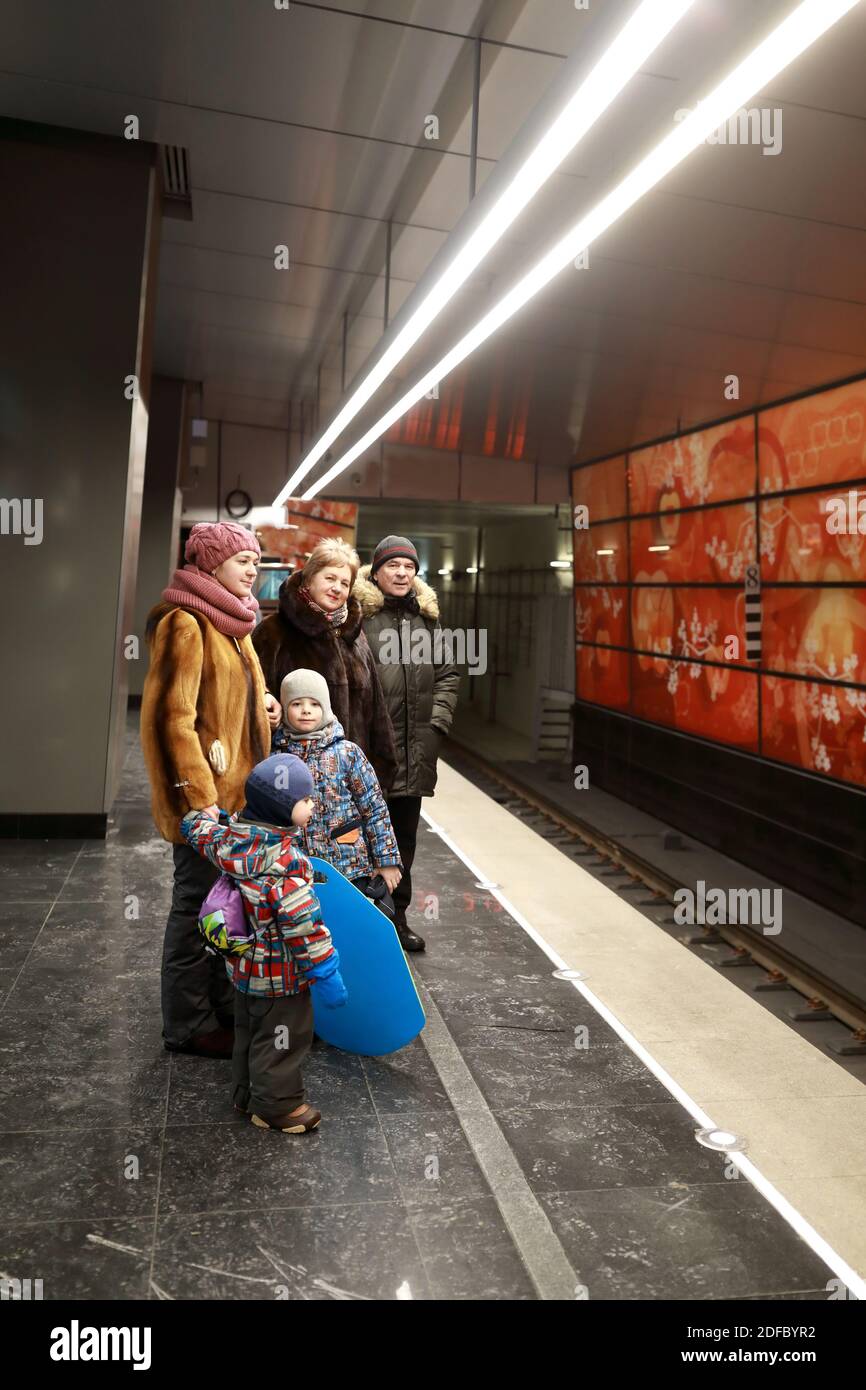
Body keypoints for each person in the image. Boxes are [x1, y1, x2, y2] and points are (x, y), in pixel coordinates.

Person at [140, 521, 281, 1058]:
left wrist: (261, 710)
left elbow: (233, 698)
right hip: (206, 801)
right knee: (195, 905)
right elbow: (170, 720)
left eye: (256, 560)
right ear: (210, 564)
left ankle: (219, 1005)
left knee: (225, 907)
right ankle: (188, 1024)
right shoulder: (186, 622)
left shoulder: (236, 624)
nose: (254, 568)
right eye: (243, 559)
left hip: (240, 798)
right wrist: (199, 801)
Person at [181, 753, 347, 1134]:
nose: (312, 804)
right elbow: (305, 928)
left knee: (249, 1033)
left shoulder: (230, 840)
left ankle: (246, 1094)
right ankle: (277, 1107)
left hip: (242, 971)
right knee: (282, 1040)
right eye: (306, 800)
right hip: (282, 978)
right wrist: (327, 973)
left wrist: (201, 818)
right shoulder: (285, 863)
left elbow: (199, 831)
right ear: (283, 808)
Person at [354, 536, 460, 952]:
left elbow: (449, 674)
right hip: (370, 750)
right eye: (393, 566)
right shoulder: (358, 617)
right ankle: (364, 919)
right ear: (376, 572)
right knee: (360, 836)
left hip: (415, 750)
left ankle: (396, 919)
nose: (401, 573)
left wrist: (437, 724)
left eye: (408, 567)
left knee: (403, 838)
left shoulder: (428, 622)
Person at [254, 537, 397, 793]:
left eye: (345, 583)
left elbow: (376, 708)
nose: (337, 588)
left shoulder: (355, 637)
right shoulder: (273, 632)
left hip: (349, 785)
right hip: (292, 783)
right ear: (309, 579)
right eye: (329, 578)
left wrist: (381, 772)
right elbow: (253, 695)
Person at [272, 668, 403, 900]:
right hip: (292, 872)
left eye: (314, 703)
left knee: (347, 928)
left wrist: (387, 860)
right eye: (296, 704)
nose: (306, 710)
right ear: (284, 707)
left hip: (348, 868)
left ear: (326, 707)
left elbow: (374, 808)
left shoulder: (347, 753)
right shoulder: (274, 757)